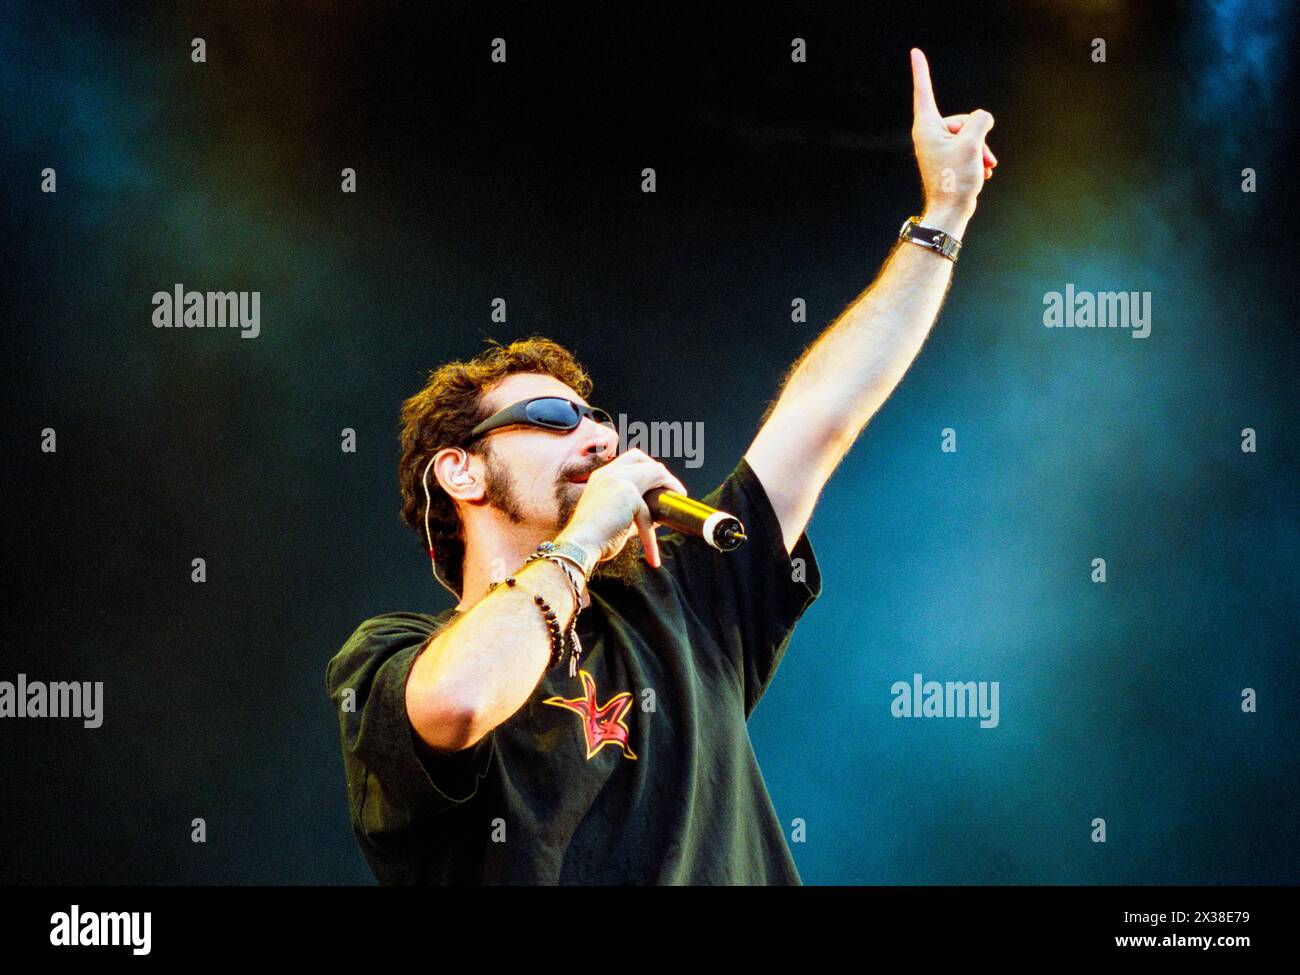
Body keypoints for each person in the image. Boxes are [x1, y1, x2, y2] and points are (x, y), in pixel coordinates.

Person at [325, 48, 996, 884]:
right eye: (552, 418)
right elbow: (460, 703)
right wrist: (581, 541)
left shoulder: (682, 596)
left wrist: (945, 214)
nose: (600, 437)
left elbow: (822, 417)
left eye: (601, 422)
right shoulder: (389, 658)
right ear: (461, 474)